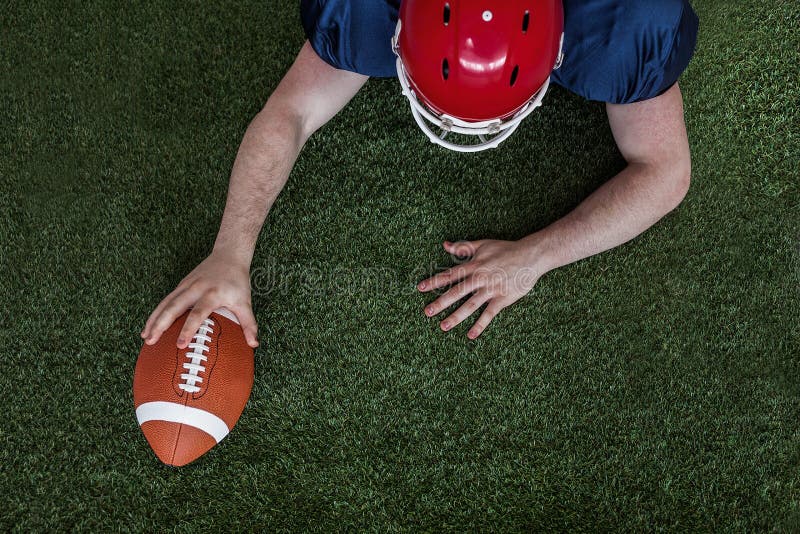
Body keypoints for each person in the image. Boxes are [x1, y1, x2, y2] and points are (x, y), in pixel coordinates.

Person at [141, 0, 699, 346]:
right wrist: (229, 252)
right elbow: (291, 114)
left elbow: (665, 172)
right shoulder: (366, 11)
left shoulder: (627, 21)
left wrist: (536, 258)